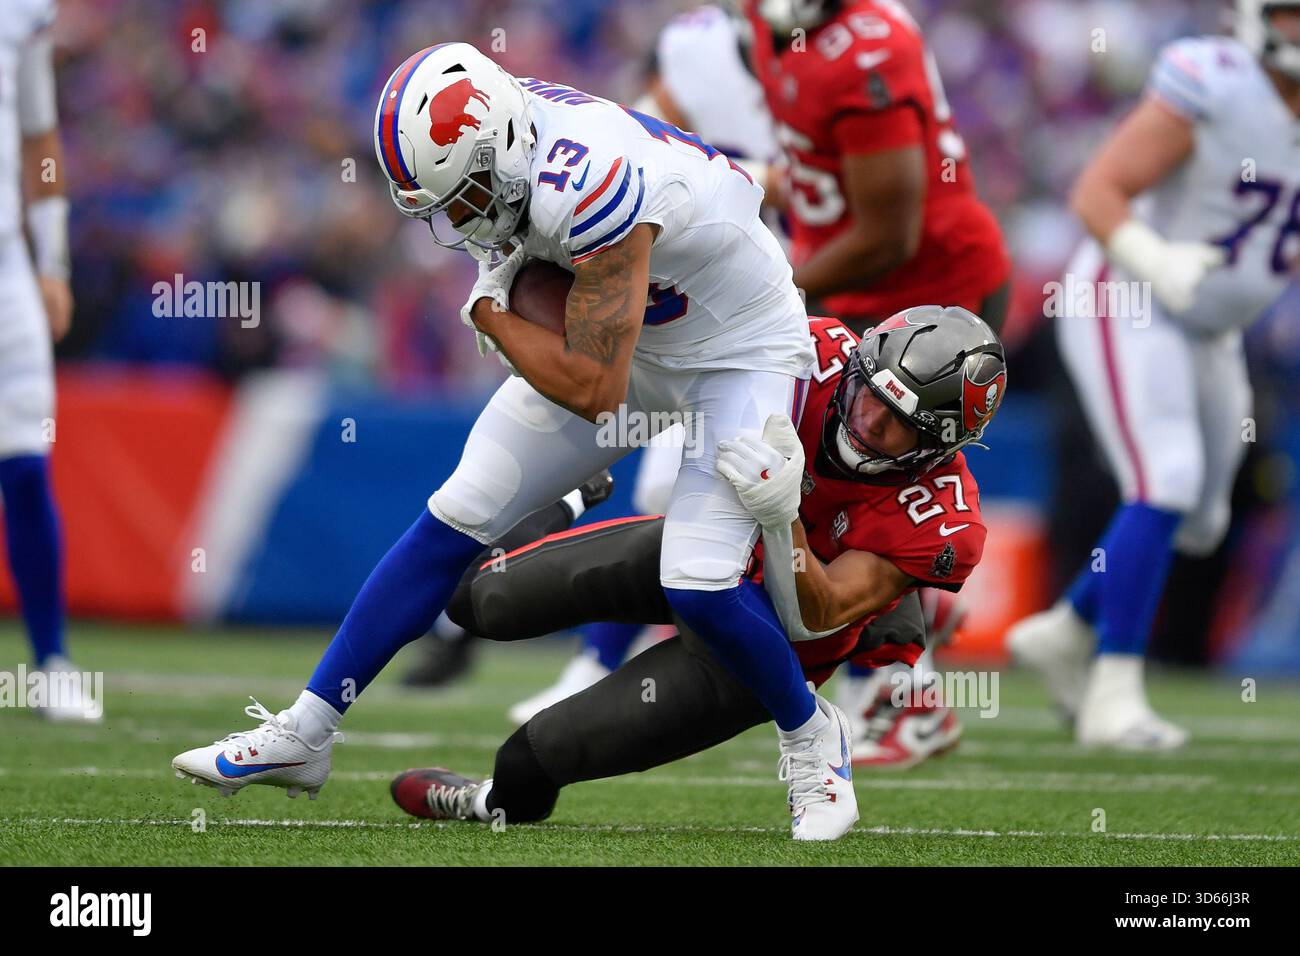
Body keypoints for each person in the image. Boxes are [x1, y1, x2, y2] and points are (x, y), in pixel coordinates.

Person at [172, 42, 869, 839]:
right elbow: (578, 334)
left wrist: (492, 313)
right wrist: (508, 292)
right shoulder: (502, 148)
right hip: (644, 334)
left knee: (700, 582)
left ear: (500, 150)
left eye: (466, 196)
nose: (457, 221)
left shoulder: (589, 183)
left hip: (734, 349)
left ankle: (812, 736)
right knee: (456, 512)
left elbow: (595, 388)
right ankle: (305, 733)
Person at [387, 308, 1005, 828]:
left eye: (897, 425)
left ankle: (480, 800)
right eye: (869, 396)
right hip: (699, 552)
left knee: (528, 759)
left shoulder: (941, 517)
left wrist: (783, 515)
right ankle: (575, 498)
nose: (868, 423)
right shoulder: (810, 350)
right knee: (475, 600)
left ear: (937, 446)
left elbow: (819, 616)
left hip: (758, 653)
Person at [1008, 1, 1300, 749]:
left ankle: (1068, 627)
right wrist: (1159, 262)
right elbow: (1096, 192)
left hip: (1212, 324)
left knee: (1202, 518)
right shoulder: (1216, 78)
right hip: (1128, 293)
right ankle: (1114, 691)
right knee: (1164, 478)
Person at [0, 0, 93, 722]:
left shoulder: (22, 12)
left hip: (6, 265)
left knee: (27, 464)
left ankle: (51, 660)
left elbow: (39, 139)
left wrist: (52, 261)